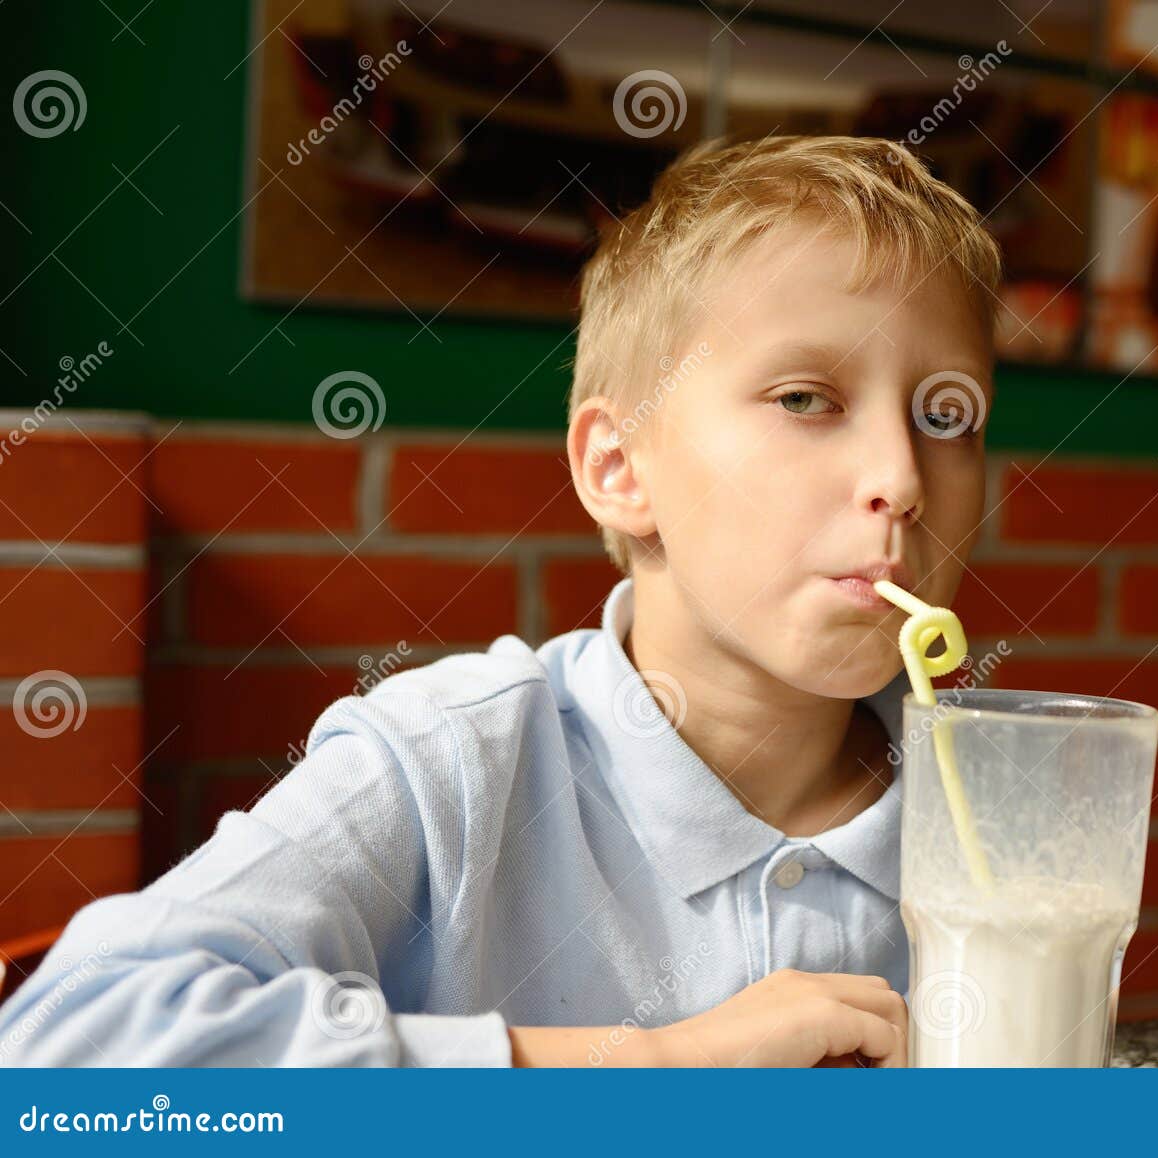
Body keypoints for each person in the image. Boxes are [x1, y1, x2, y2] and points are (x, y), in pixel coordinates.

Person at [0, 134, 1000, 1067]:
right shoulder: (453, 764)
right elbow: (63, 1051)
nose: (901, 478)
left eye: (946, 415)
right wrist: (652, 1065)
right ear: (618, 466)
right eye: (805, 398)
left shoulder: (986, 814)